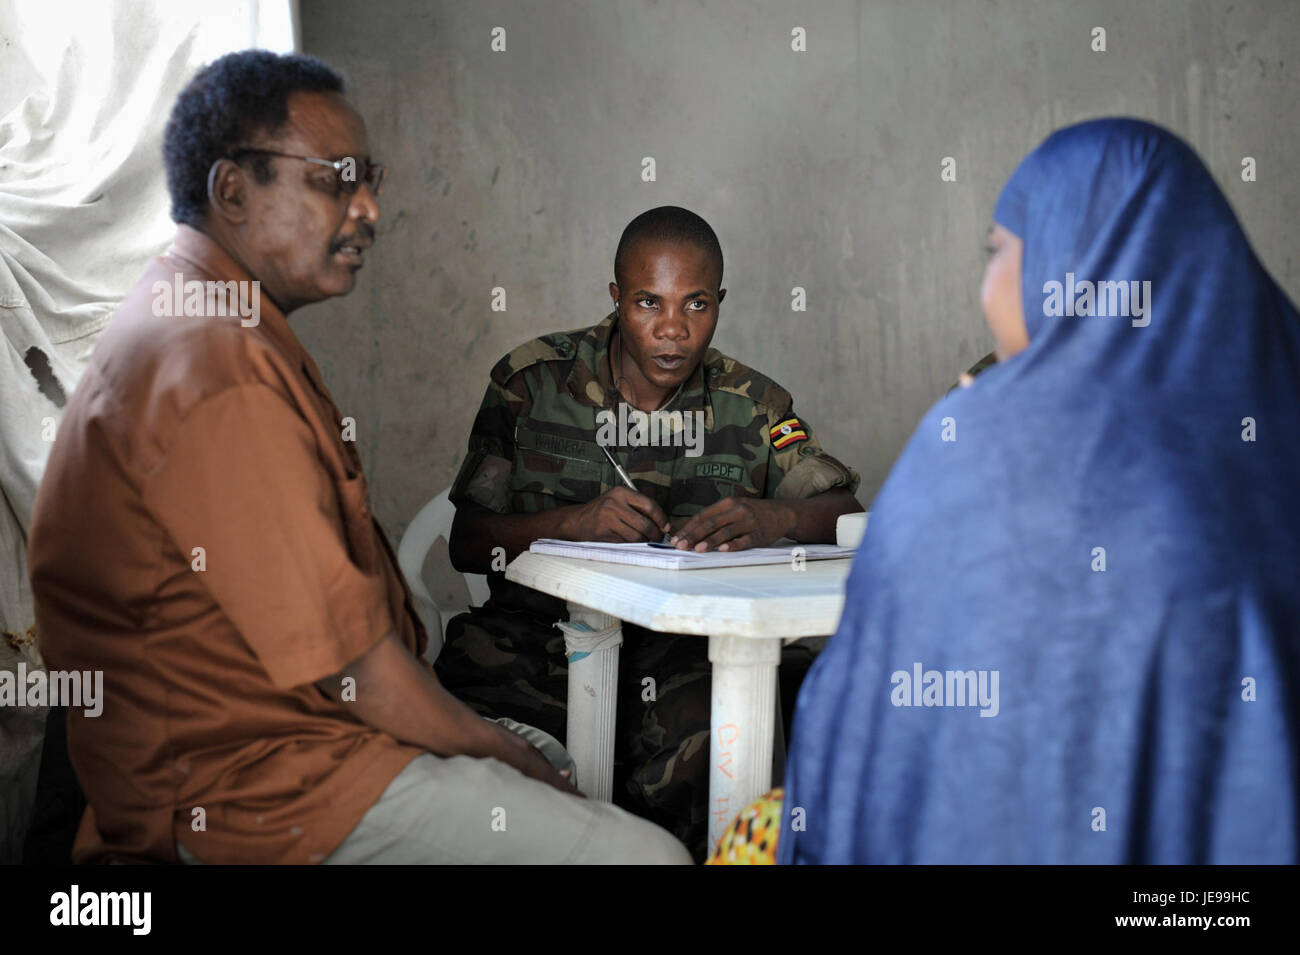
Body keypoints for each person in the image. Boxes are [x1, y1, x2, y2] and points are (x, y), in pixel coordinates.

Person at [27, 50, 689, 865]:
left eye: (368, 178)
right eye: (335, 180)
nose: (369, 209)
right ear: (232, 190)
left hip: (281, 751)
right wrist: (506, 759)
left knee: (560, 765)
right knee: (640, 855)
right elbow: (360, 670)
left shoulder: (211, 321)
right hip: (264, 792)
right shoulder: (213, 366)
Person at [779, 118, 1300, 864]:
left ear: (1070, 262)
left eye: (998, 252)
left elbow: (866, 735)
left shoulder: (992, 442)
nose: (989, 286)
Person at [437, 206, 863, 858]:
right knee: (498, 795)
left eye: (696, 304)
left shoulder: (750, 402)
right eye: (647, 302)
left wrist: (777, 515)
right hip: (531, 647)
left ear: (719, 302)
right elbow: (468, 542)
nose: (672, 330)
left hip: (678, 655)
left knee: (716, 755)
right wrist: (570, 523)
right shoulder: (532, 382)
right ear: (616, 299)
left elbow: (845, 511)